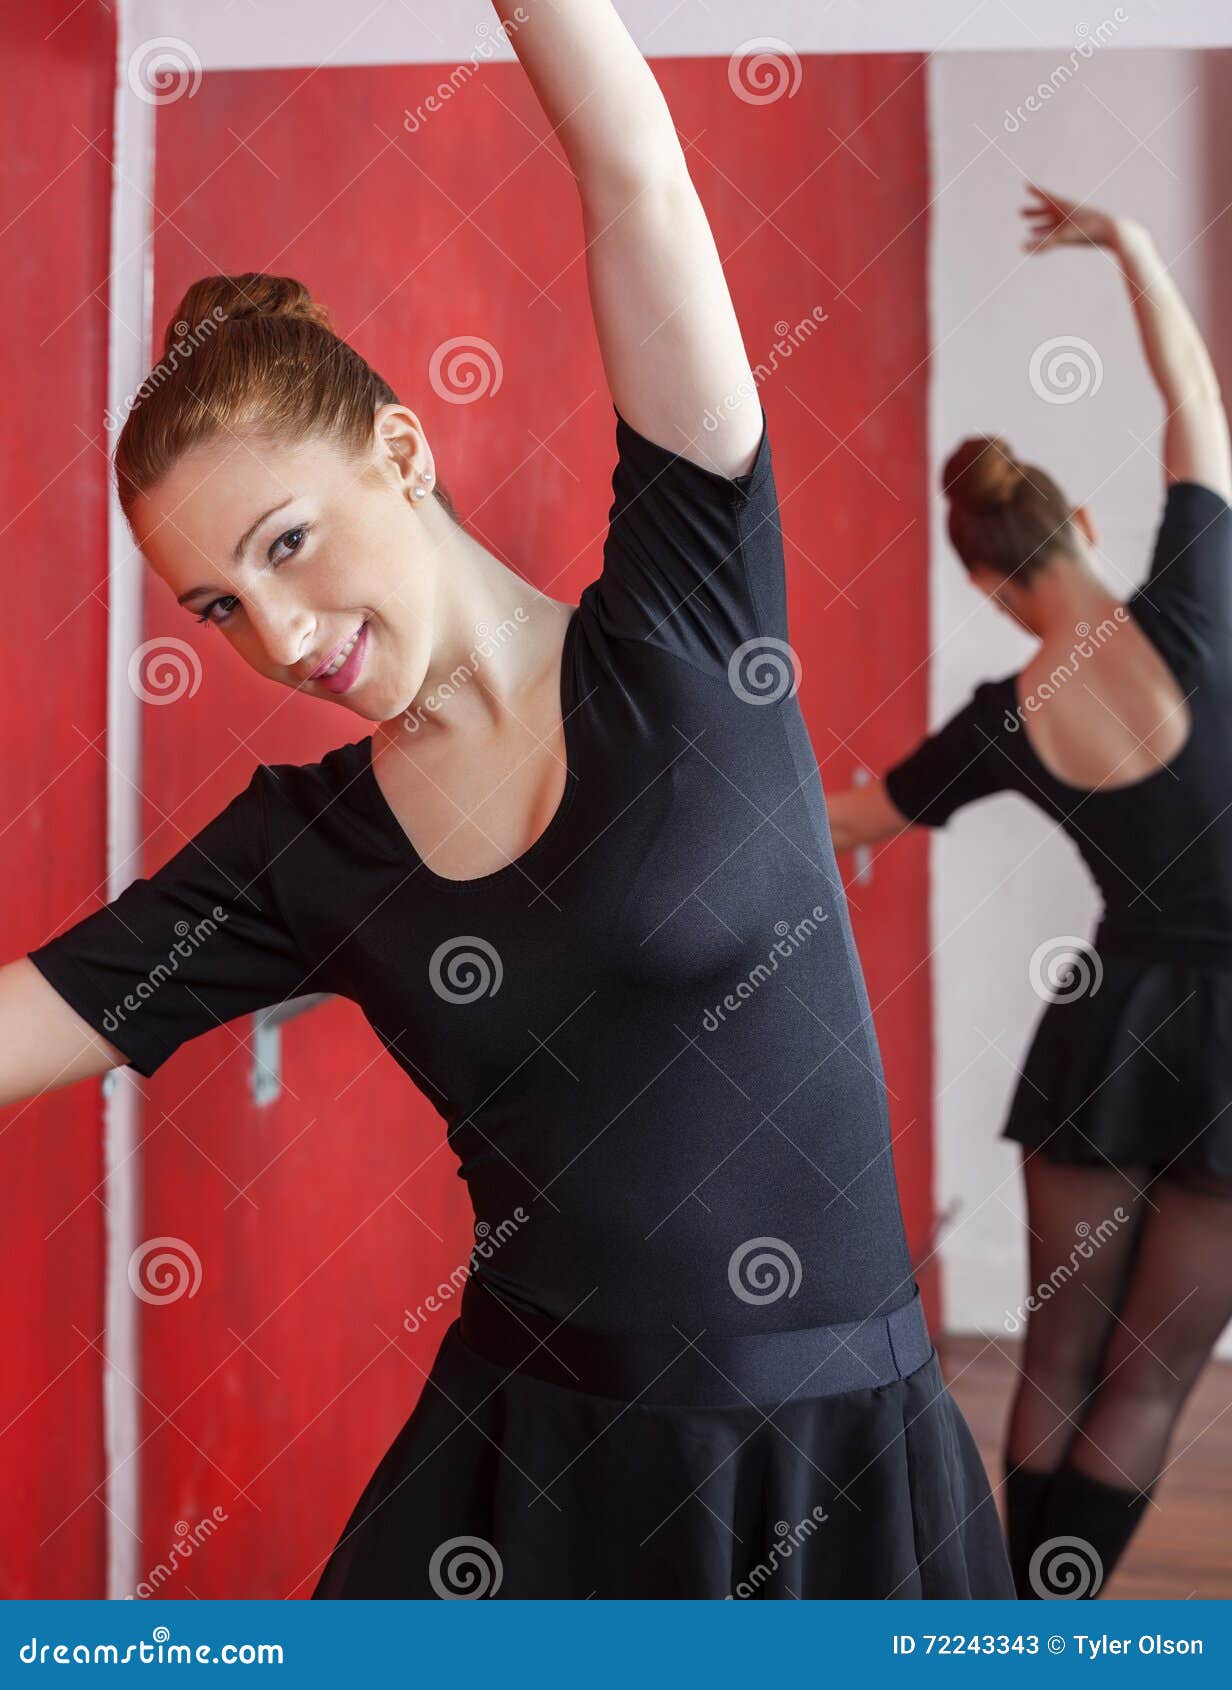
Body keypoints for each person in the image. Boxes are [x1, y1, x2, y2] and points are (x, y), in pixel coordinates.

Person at [4, 0, 1011, 1599]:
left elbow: (635, 178)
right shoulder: (302, 852)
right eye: (215, 609)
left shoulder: (690, 618)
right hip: (530, 1473)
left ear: (401, 452)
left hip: (831, 1461)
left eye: (284, 545)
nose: (275, 638)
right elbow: (24, 1025)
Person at [827, 184, 1232, 1599]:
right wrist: (1125, 244)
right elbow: (1195, 400)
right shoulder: (1198, 596)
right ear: (1077, 526)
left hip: (1110, 1027)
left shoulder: (1005, 713)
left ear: (994, 582)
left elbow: (849, 820)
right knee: (1153, 1373)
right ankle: (1059, 1629)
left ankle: (1008, 1621)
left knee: (1057, 1347)